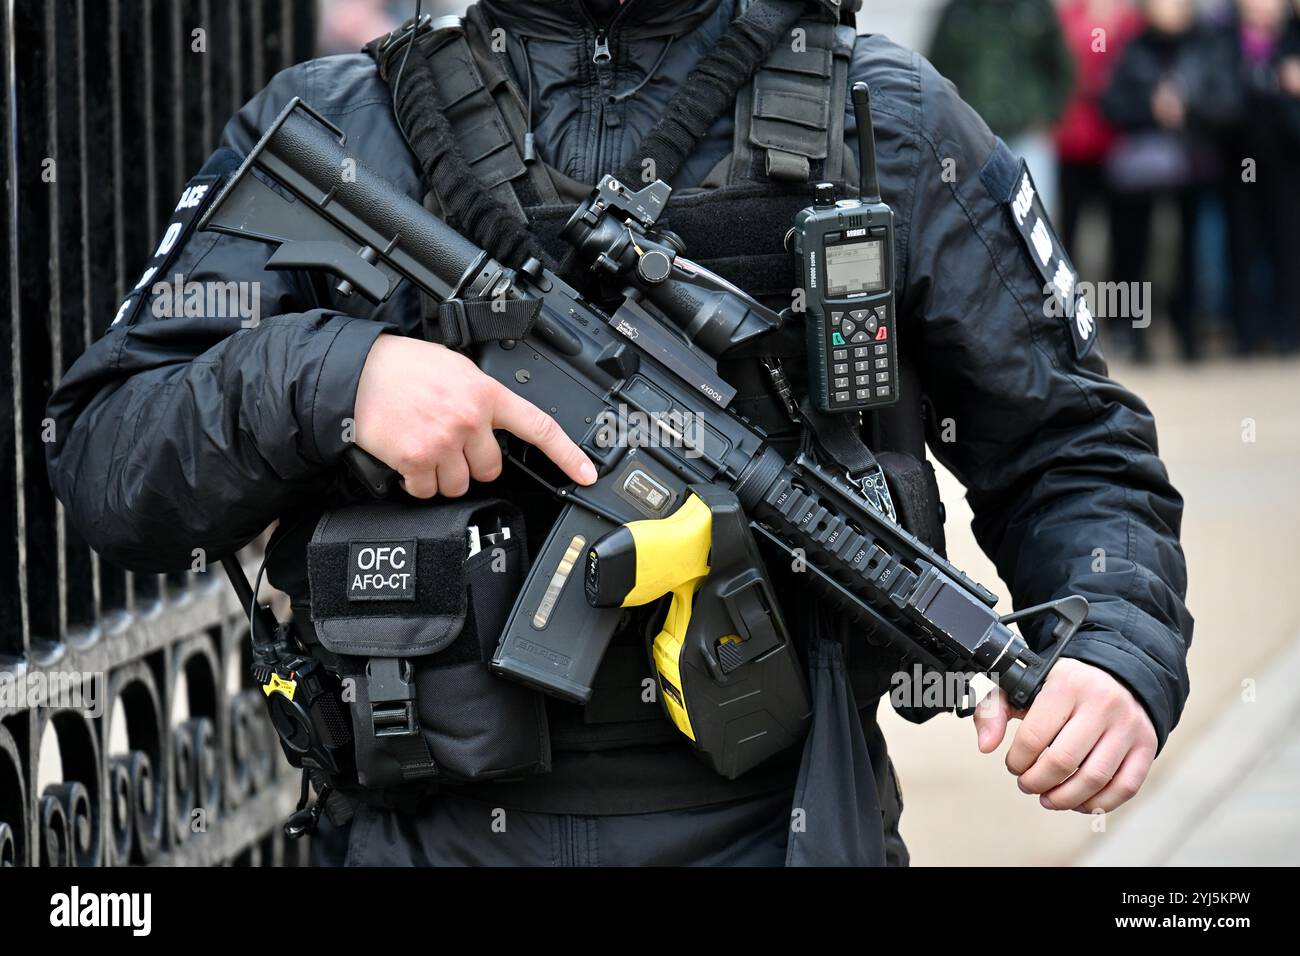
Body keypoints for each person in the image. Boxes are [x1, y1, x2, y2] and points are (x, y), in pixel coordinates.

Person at [44, 0, 1192, 867]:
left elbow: (1071, 449)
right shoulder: (344, 124)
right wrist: (337, 373)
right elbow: (102, 451)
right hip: (418, 834)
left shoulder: (883, 120)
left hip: (783, 828)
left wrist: (1113, 646)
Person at [1099, 0, 1240, 362]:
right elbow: (1110, 102)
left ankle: (1189, 332)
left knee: (1189, 252)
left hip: (1193, 166)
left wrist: (1186, 109)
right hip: (1140, 174)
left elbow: (1229, 104)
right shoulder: (1133, 47)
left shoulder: (1208, 46)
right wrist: (1151, 108)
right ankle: (1133, 331)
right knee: (1136, 251)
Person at [928, 0, 1075, 218]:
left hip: (1027, 135)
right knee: (972, 219)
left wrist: (1047, 115)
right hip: (970, 139)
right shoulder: (957, 11)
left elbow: (1063, 69)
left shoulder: (1036, 9)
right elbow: (935, 74)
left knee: (1034, 220)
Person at [1219, 0, 1300, 355]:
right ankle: (1246, 333)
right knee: (1241, 245)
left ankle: (1288, 331)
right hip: (1239, 160)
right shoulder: (1225, 42)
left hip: (1286, 160)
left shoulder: (1292, 40)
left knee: (1288, 244)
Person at [1053, 0, 1143, 272]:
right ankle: (1067, 304)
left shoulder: (1131, 22)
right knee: (1068, 232)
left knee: (1126, 233)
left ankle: (1122, 310)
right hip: (1074, 142)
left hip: (1120, 144)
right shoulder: (1068, 17)